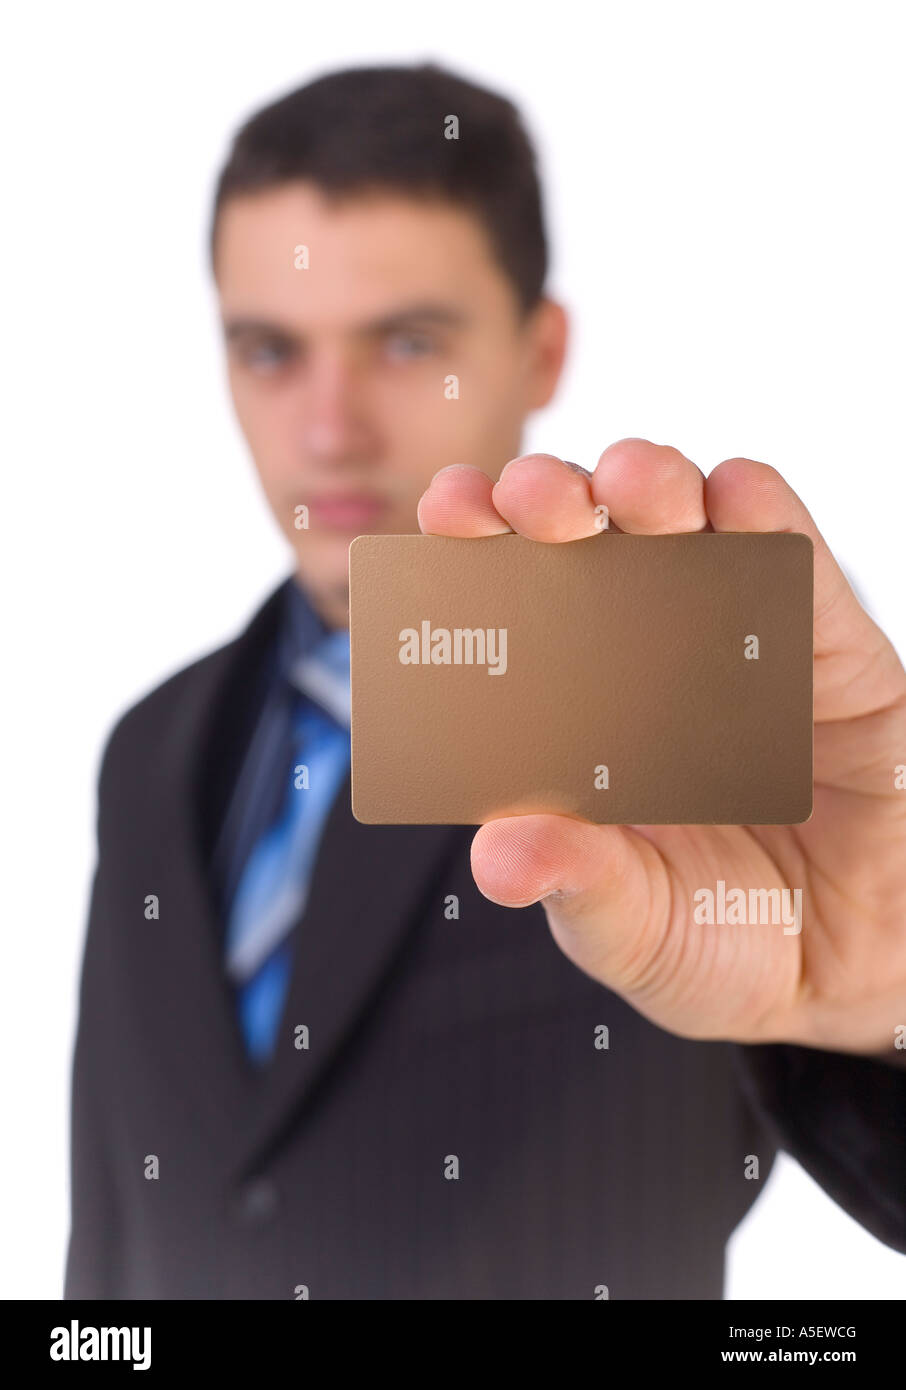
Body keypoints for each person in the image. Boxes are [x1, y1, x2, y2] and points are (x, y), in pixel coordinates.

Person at [63, 61, 906, 1301]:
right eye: (270, 350)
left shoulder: (682, 724)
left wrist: (891, 983)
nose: (329, 427)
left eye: (407, 342)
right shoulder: (153, 747)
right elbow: (109, 1237)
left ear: (541, 348)